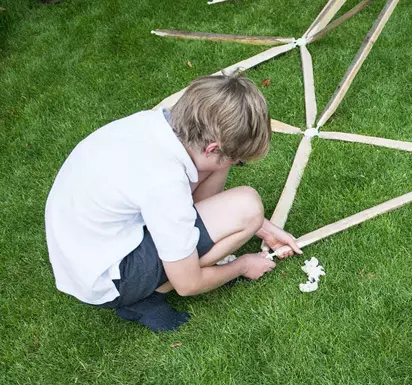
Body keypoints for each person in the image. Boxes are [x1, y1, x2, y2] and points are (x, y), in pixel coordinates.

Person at [45, 72, 302, 332]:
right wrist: (242, 265)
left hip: (84, 252)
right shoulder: (164, 182)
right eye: (238, 160)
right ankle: (143, 296)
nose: (236, 165)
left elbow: (198, 175)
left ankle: (173, 255)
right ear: (212, 148)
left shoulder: (157, 125)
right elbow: (188, 284)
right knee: (248, 206)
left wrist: (263, 227)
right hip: (108, 280)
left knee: (219, 172)